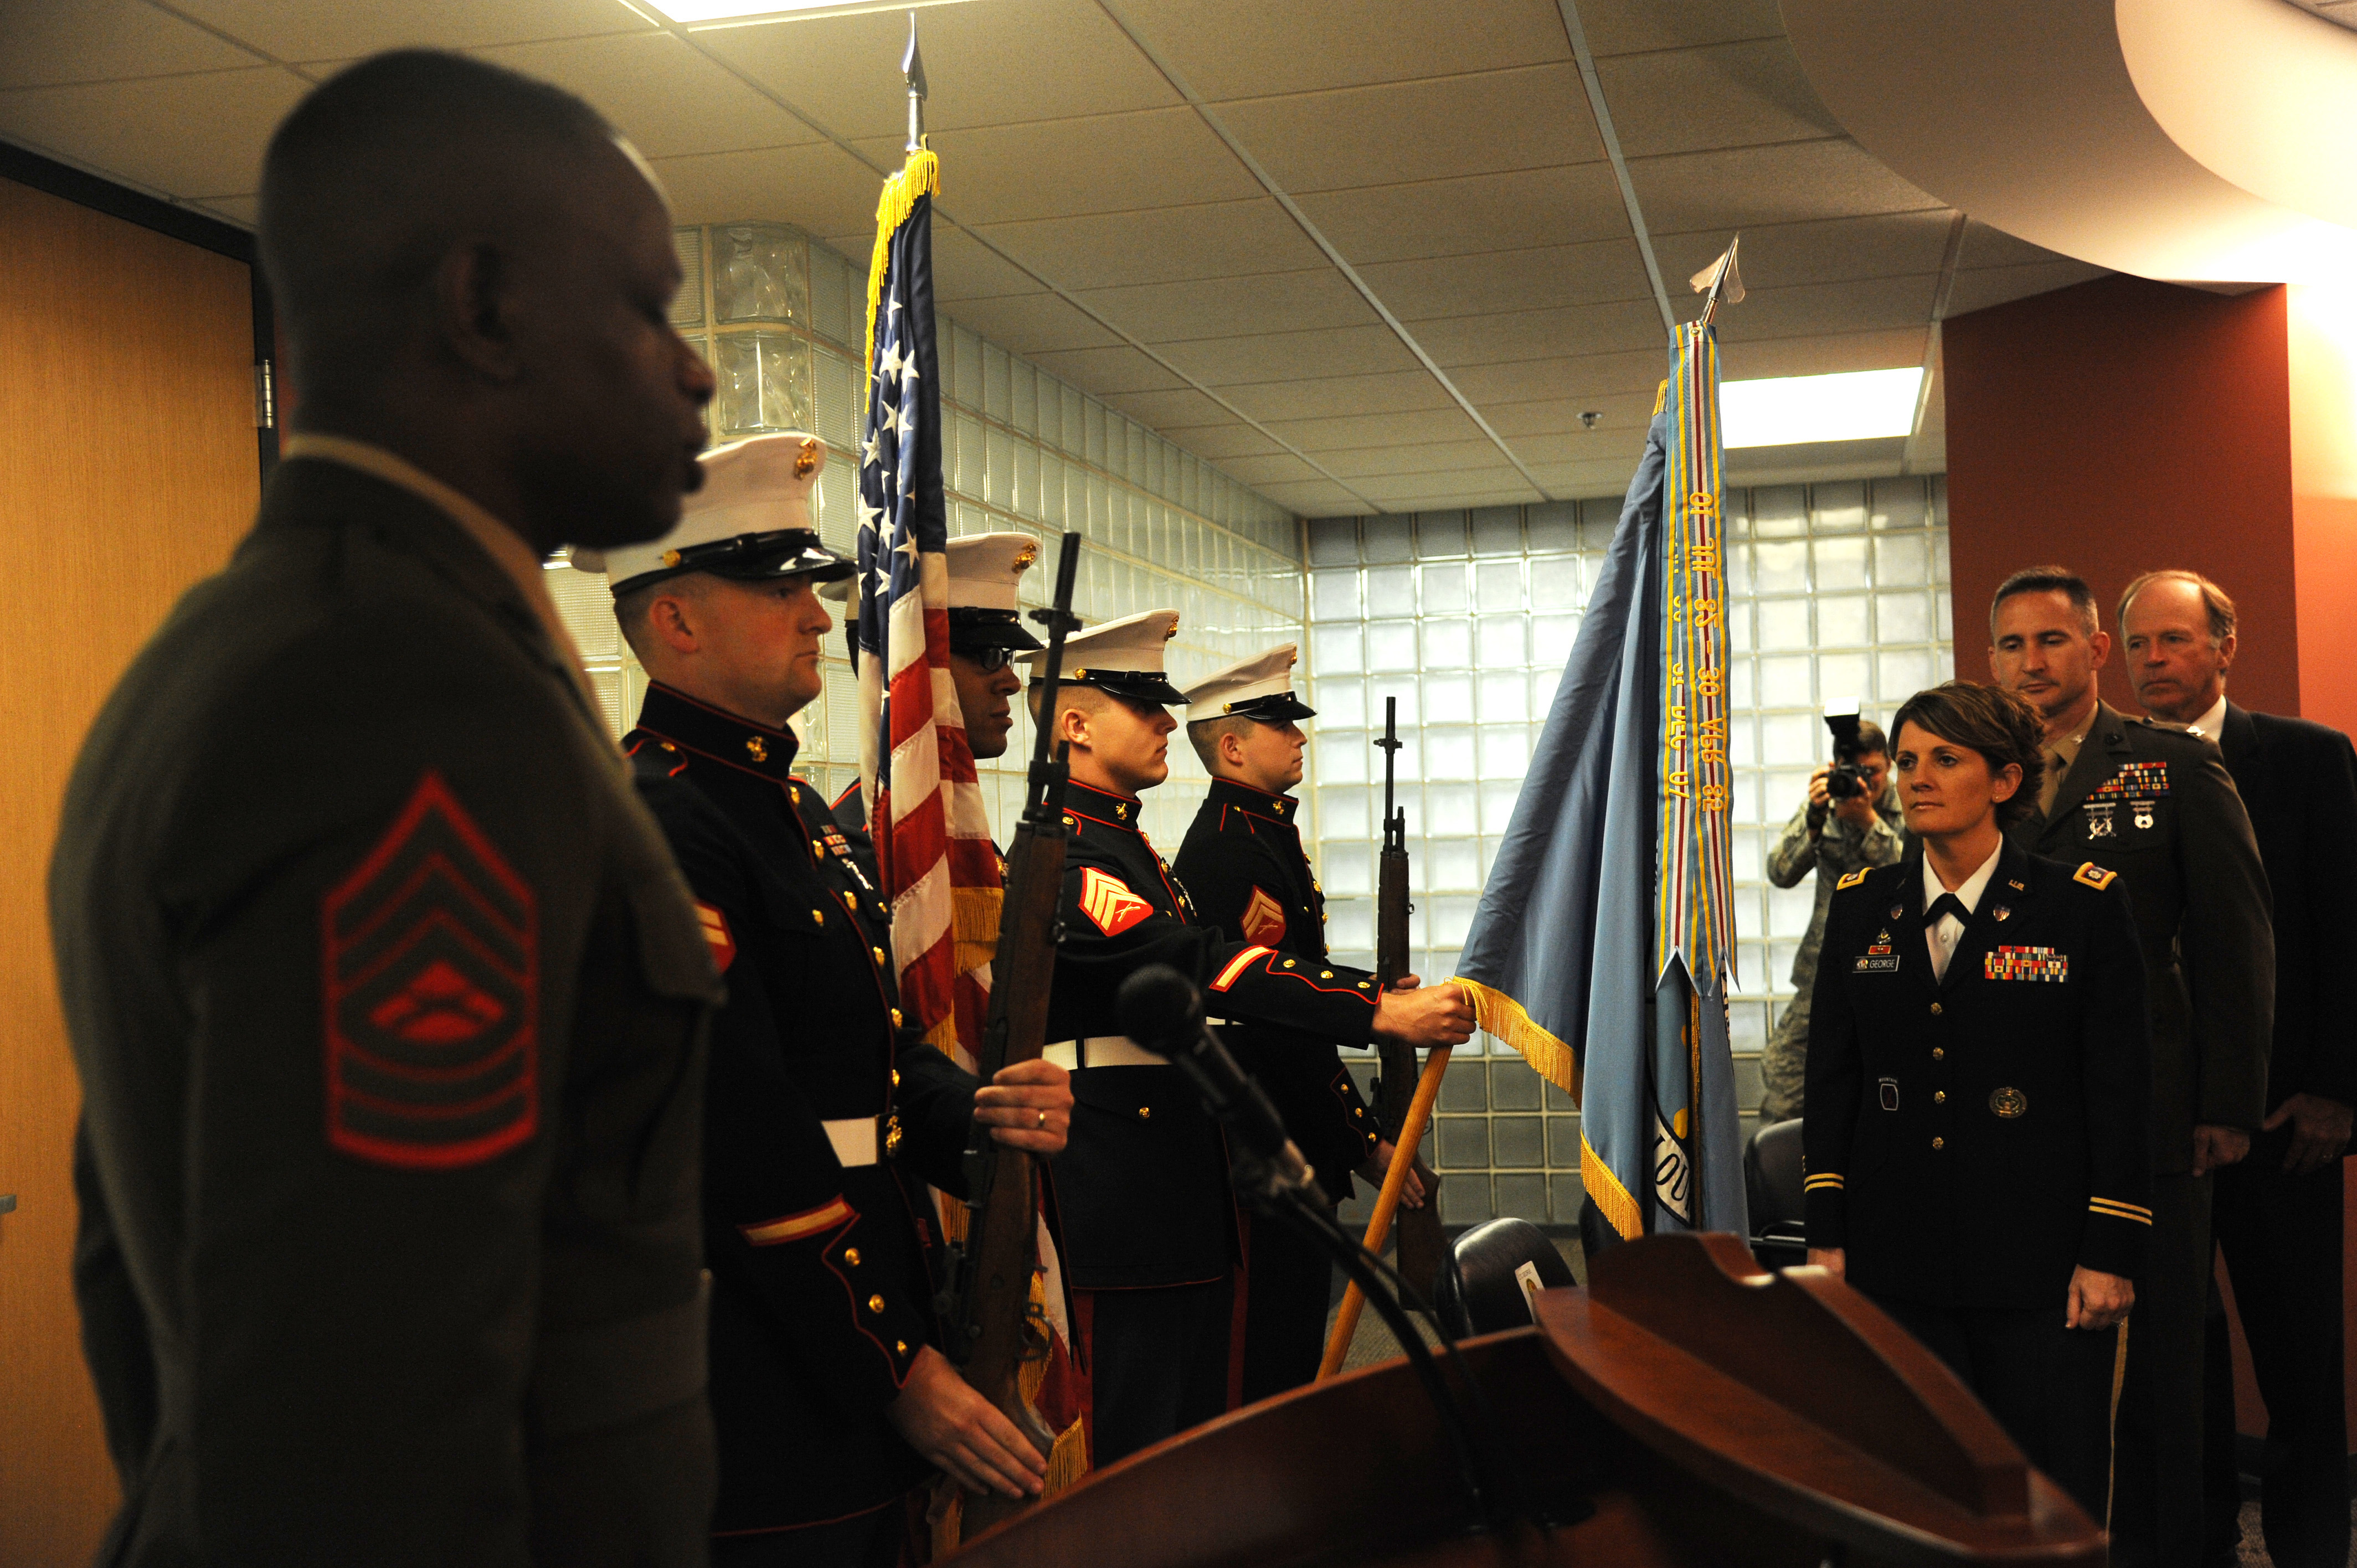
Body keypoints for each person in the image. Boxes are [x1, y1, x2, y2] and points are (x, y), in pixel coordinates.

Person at [49, 51, 724, 1565]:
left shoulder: (247, 644)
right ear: (483, 306)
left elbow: (136, 1269)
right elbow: (369, 1397)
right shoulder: (406, 694)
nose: (694, 369)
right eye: (647, 303)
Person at [586, 437, 1074, 1566]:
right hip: (760, 1352)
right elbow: (741, 1140)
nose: (816, 618)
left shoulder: (792, 814)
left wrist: (979, 1113)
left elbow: (880, 1058)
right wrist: (893, 1367)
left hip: (863, 1304)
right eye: (777, 589)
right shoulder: (657, 822)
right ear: (678, 624)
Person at [1028, 611, 1474, 1464]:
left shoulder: (1132, 848)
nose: (1167, 722)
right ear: (1075, 725)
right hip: (1120, 1185)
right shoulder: (1075, 854)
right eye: (1144, 706)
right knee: (1142, 1436)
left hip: (1181, 1175)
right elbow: (1198, 966)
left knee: (1199, 1423)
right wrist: (1372, 1007)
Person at [1805, 680, 2150, 1518]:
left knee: (2046, 1493)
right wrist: (1829, 1235)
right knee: (1918, 1489)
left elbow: (2123, 1087)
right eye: (1912, 760)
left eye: (1946, 761)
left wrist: (2110, 1249)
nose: (1918, 778)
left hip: (2038, 1262)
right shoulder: (1862, 911)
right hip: (1898, 1257)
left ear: (2003, 781)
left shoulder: (2080, 907)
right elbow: (1833, 1083)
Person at [1988, 566, 2273, 1567]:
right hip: (2022, 1132)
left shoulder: (2165, 766)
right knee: (2038, 1374)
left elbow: (2238, 943)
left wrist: (2230, 1104)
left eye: (2053, 640)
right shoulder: (1981, 778)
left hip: (2155, 1122)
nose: (2033, 662)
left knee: (2158, 1374)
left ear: (2095, 651)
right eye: (2013, 644)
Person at [2119, 569, 2356, 1568]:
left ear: (2225, 646)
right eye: (2137, 644)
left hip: (2284, 1117)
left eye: (2175, 640)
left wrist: (2341, 1087)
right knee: (2182, 1365)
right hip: (2156, 1128)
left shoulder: (2304, 760)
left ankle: (2308, 1549)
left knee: (2298, 1358)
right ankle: (2200, 1543)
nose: (2154, 661)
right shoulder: (2107, 769)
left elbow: (2346, 927)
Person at [1171, 644, 1427, 1403]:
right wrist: (1363, 1137)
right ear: (1233, 745)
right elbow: (1274, 1025)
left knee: (1295, 1339)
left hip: (1296, 1135)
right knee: (1268, 1364)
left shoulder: (1262, 832)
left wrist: (1367, 995)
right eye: (1281, 724)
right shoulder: (1225, 849)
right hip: (1267, 1141)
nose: (1300, 736)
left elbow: (1303, 996)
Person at [1759, 720, 1904, 1123]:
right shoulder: (1826, 804)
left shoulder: (1910, 802)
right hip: (1826, 968)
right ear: (1834, 766)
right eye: (1852, 771)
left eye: (1871, 772)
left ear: (1889, 765)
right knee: (1784, 1076)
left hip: (1895, 972)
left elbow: (1916, 876)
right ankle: (1783, 1172)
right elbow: (1779, 872)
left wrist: (1868, 822)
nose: (1863, 782)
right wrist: (1814, 823)